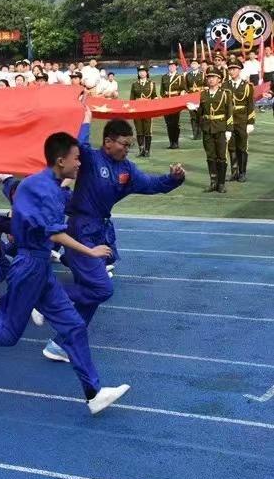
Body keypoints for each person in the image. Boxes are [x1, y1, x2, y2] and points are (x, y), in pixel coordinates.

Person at [0, 131, 130, 416]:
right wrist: (90, 251)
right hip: (28, 265)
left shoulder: (51, 183)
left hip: (40, 266)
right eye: (76, 159)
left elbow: (72, 157)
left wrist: (85, 116)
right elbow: (54, 232)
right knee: (6, 333)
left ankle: (93, 393)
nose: (81, 163)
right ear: (60, 160)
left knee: (74, 326)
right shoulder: (39, 188)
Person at [38, 113, 184, 362]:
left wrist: (174, 179)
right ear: (108, 142)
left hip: (101, 232)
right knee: (102, 289)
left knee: (91, 292)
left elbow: (151, 184)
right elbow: (78, 145)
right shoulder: (92, 160)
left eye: (130, 145)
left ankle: (61, 344)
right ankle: (41, 294)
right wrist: (85, 118)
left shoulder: (127, 169)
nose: (128, 149)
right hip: (81, 230)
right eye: (124, 144)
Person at [191, 68, 233, 193]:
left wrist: (229, 129)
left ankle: (221, 183)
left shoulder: (225, 94)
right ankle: (213, 182)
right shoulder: (203, 94)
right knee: (210, 156)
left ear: (219, 79)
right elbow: (201, 113)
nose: (210, 79)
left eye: (213, 77)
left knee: (221, 157)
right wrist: (194, 109)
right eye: (209, 77)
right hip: (208, 128)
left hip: (221, 128)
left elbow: (229, 112)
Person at [226, 57, 255, 182]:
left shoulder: (247, 86)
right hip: (229, 121)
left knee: (242, 147)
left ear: (239, 70)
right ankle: (234, 172)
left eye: (234, 69)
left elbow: (250, 105)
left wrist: (250, 122)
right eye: (230, 69)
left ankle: (242, 172)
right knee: (231, 147)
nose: (232, 71)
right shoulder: (224, 85)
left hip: (242, 120)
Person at [129, 65, 157, 157]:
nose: (141, 73)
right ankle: (141, 150)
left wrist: (156, 100)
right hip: (137, 110)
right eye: (140, 71)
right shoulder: (134, 84)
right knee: (139, 131)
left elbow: (154, 96)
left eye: (143, 71)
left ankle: (147, 150)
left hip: (148, 109)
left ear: (147, 73)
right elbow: (132, 99)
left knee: (147, 131)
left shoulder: (151, 84)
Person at [160, 60, 186, 149]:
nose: (171, 67)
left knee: (175, 122)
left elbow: (183, 88)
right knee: (168, 123)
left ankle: (176, 142)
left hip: (176, 101)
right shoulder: (164, 77)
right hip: (166, 101)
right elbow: (162, 91)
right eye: (170, 66)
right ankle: (171, 142)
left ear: (176, 67)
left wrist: (182, 94)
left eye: (173, 66)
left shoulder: (180, 77)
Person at [184, 59, 205, 140]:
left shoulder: (202, 75)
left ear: (198, 65)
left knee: (200, 116)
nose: (193, 65)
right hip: (191, 97)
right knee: (193, 117)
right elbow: (185, 86)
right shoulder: (188, 75)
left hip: (200, 97)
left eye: (195, 63)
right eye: (192, 64)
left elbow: (206, 85)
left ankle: (200, 133)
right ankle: (195, 134)